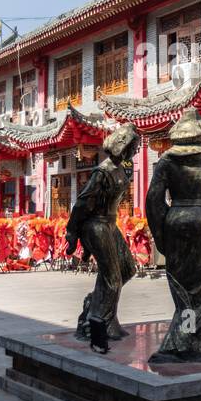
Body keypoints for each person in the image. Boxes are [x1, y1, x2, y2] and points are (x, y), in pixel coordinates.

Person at [145, 108, 201, 363]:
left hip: (175, 220)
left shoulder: (166, 159)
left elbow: (153, 199)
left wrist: (162, 231)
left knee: (182, 285)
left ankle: (185, 338)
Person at [67, 124, 140, 353]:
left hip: (110, 224)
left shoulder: (121, 169)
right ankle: (98, 322)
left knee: (127, 268)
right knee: (113, 278)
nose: (135, 151)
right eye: (133, 147)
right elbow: (81, 202)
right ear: (123, 147)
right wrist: (72, 231)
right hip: (96, 226)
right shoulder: (103, 171)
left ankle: (95, 304)